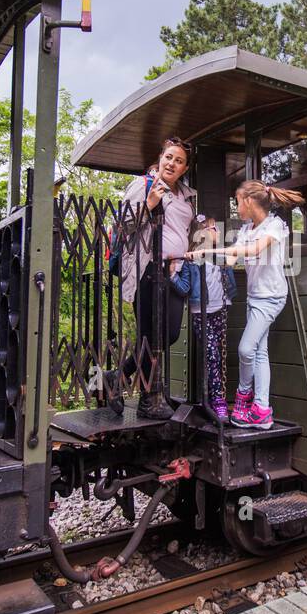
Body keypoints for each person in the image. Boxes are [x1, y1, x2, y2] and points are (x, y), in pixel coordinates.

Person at [185, 179, 304, 430]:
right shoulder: (246, 230)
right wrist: (203, 250)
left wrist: (204, 253)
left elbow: (252, 251)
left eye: (237, 201)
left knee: (246, 349)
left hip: (271, 298)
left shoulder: (275, 226)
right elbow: (232, 257)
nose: (236, 207)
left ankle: (243, 396)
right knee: (260, 353)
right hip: (255, 297)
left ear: (248, 201)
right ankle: (262, 410)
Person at [104, 137, 195, 419]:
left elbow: (183, 231)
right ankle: (148, 398)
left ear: (184, 168)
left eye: (179, 161)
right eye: (169, 157)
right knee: (149, 336)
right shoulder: (144, 185)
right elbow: (124, 225)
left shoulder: (187, 195)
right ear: (160, 158)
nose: (172, 163)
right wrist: (150, 203)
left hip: (176, 272)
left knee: (168, 335)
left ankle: (117, 378)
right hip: (148, 270)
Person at [172, 216, 237, 420]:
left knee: (217, 354)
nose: (217, 231)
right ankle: (217, 401)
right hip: (201, 312)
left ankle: (212, 396)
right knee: (212, 355)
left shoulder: (220, 256)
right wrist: (173, 275)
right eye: (213, 228)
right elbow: (184, 288)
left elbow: (230, 279)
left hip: (220, 309)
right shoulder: (191, 260)